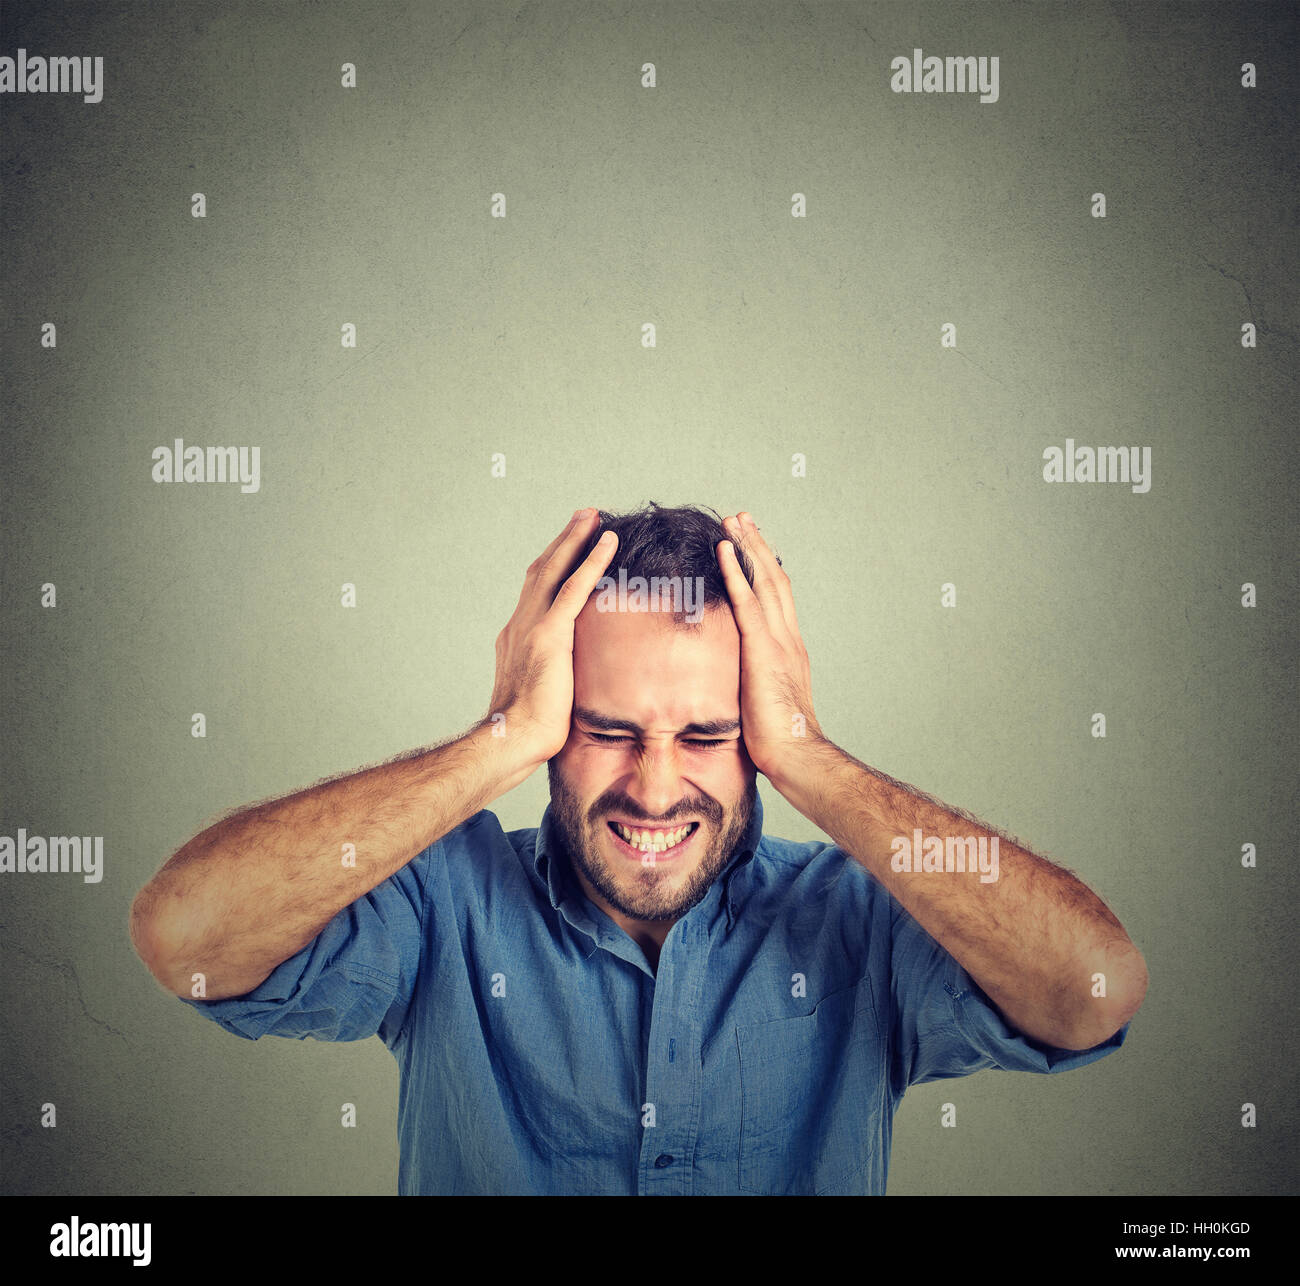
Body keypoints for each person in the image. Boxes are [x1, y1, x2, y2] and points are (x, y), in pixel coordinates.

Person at [129, 502, 1147, 1195]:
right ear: (551, 714)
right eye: (606, 728)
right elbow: (187, 933)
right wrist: (497, 739)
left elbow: (1091, 985)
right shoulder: (445, 898)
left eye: (706, 736)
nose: (655, 787)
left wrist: (810, 755)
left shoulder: (862, 919)